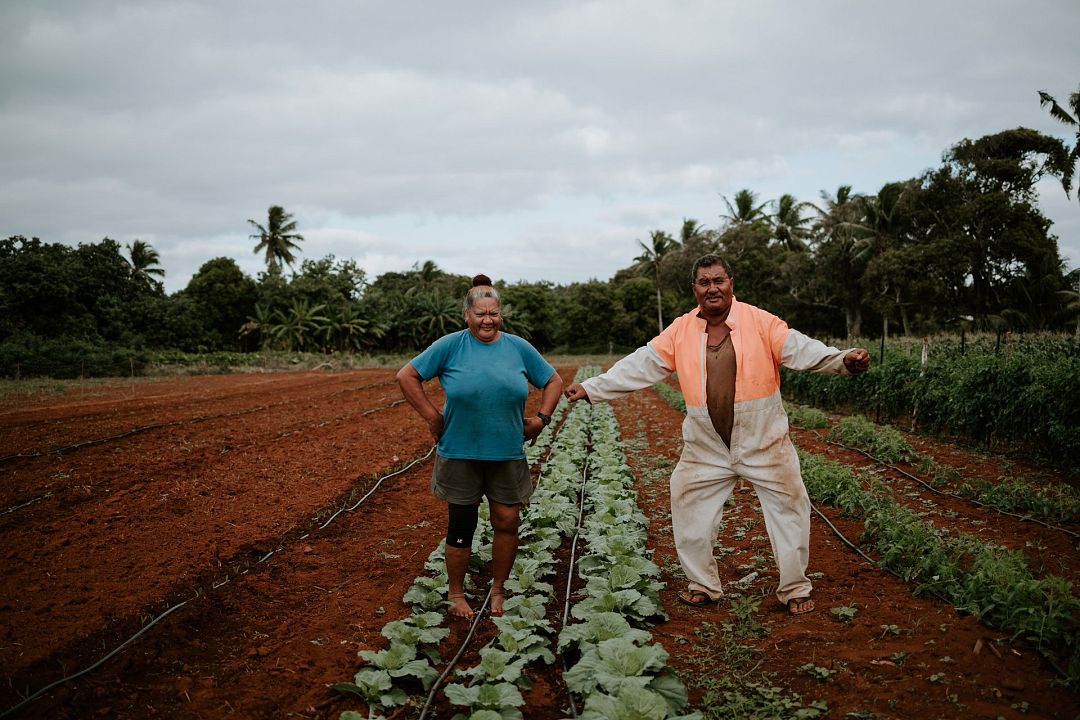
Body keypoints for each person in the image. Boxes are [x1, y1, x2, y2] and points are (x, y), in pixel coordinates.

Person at [565, 254, 869, 615]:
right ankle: (703, 585)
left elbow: (799, 348)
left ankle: (795, 588)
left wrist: (842, 358)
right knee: (688, 501)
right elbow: (643, 363)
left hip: (764, 438)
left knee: (790, 507)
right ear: (695, 289)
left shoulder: (760, 322)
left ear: (731, 283)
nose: (712, 288)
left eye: (718, 280)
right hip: (706, 443)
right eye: (704, 282)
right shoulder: (681, 330)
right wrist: (593, 387)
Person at [397, 274, 563, 619]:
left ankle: (498, 589)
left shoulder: (517, 347)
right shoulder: (450, 345)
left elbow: (553, 380)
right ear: (467, 315)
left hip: (506, 452)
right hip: (459, 452)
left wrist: (541, 419)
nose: (487, 320)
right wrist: (432, 416)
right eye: (480, 314)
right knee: (461, 523)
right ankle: (456, 594)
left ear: (500, 314)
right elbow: (406, 376)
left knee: (507, 520)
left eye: (494, 313)